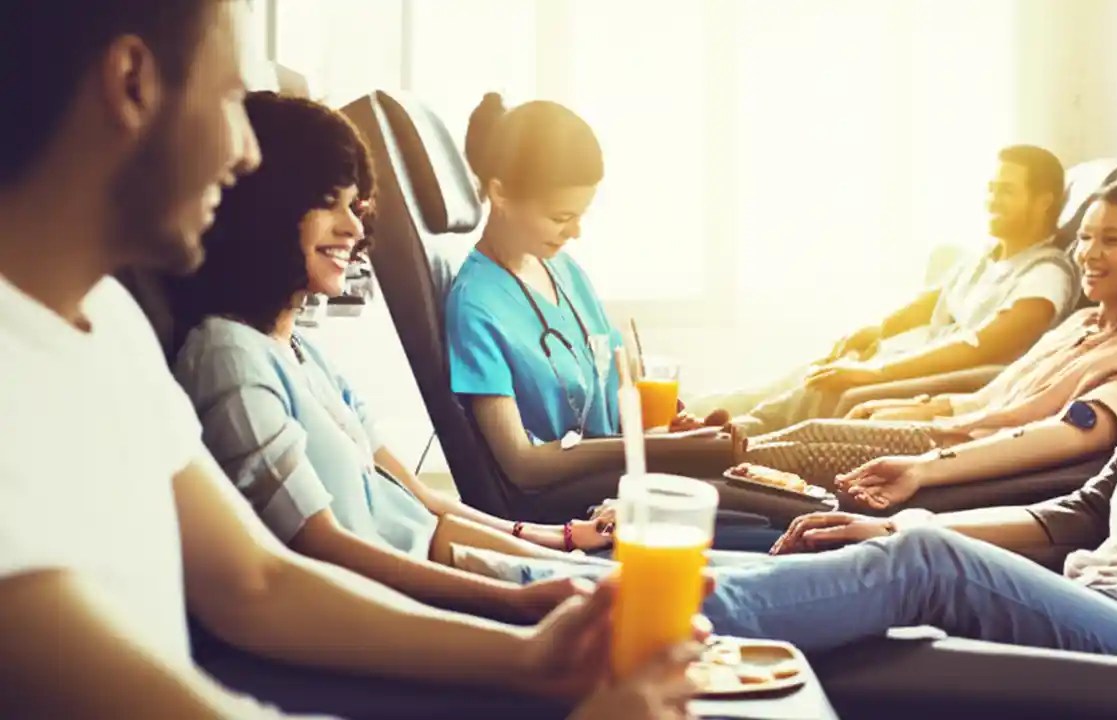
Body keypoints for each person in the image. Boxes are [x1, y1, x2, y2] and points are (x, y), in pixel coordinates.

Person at [0, 3, 699, 717]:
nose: (245, 153)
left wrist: (526, 659)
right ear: (132, 82)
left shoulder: (110, 324)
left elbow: (257, 582)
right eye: (230, 101)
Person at [467, 173, 1117, 683]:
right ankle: (526, 583)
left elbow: (1061, 442)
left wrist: (924, 490)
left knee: (922, 556)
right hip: (1085, 585)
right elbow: (1077, 514)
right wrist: (884, 521)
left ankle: (572, 616)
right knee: (885, 538)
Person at [168, 91, 628, 624]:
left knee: (698, 579)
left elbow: (427, 510)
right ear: (265, 206)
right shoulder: (229, 356)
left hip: (454, 574)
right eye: (327, 202)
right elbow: (325, 551)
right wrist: (515, 599)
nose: (355, 228)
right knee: (707, 595)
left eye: (355, 205)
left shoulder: (303, 355)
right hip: (417, 610)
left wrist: (565, 546)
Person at [447, 93, 781, 552]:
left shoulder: (564, 271)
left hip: (626, 475)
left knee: (775, 486)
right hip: (581, 506)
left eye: (581, 215)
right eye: (561, 217)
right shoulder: (475, 306)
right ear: (500, 194)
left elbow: (614, 391)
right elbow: (521, 464)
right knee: (769, 518)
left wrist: (669, 431)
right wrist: (655, 449)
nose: (575, 232)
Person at [732, 179, 1117, 501]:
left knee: (799, 446)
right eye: (1085, 237)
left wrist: (932, 460)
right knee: (800, 434)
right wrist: (920, 408)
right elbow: (993, 396)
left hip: (965, 461)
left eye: (1111, 240)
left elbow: (1068, 438)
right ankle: (700, 447)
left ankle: (697, 457)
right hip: (948, 435)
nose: (1089, 254)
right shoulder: (1079, 327)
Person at [696, 145, 1080, 436]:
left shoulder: (1046, 275)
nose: (992, 200)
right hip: (903, 357)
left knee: (809, 392)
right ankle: (687, 419)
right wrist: (880, 330)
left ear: (1044, 200)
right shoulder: (990, 255)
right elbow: (934, 297)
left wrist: (874, 373)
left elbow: (982, 346)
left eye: (1007, 191)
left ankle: (712, 437)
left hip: (938, 382)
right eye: (991, 188)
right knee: (794, 378)